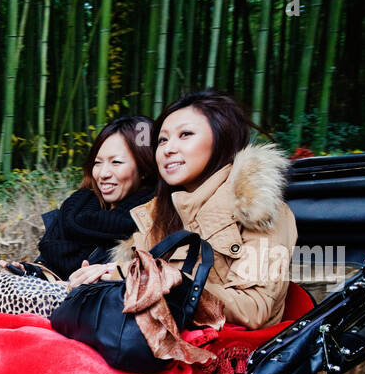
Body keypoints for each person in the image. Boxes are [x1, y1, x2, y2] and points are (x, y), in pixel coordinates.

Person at [69, 89, 297, 330]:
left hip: (229, 352)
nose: (168, 149)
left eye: (185, 134)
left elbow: (255, 308)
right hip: (154, 338)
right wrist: (107, 274)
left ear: (222, 139)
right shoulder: (155, 214)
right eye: (162, 140)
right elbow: (147, 282)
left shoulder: (261, 211)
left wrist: (172, 283)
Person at [3, 115, 156, 281]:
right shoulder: (75, 210)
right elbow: (52, 274)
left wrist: (113, 274)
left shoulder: (154, 223)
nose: (103, 174)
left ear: (144, 169)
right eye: (98, 163)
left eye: (116, 162)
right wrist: (29, 272)